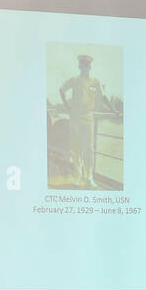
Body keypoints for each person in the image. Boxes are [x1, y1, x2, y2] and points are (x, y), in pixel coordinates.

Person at [59, 54, 107, 189]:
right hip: (75, 117)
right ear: (80, 66)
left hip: (88, 117)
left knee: (89, 149)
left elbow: (103, 97)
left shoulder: (95, 82)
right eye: (83, 64)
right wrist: (67, 106)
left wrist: (114, 110)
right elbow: (61, 89)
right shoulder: (74, 80)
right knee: (75, 148)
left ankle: (89, 177)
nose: (85, 67)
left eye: (87, 65)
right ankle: (77, 176)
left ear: (90, 67)